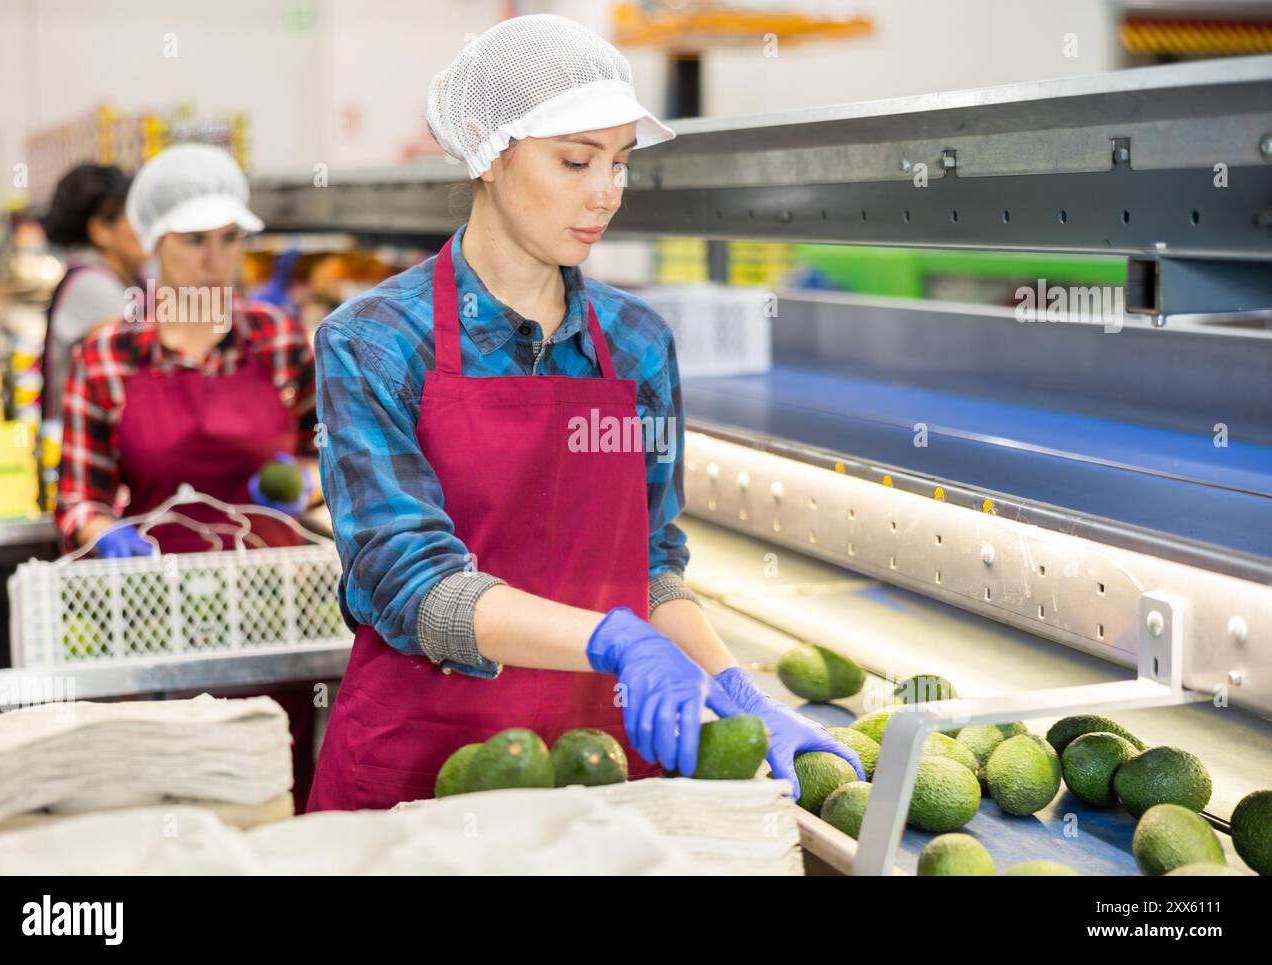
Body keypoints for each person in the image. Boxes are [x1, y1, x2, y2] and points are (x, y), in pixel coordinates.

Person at [307, 14, 863, 811]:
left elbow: (652, 561)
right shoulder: (375, 344)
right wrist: (612, 639)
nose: (606, 193)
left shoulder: (638, 344)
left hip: (599, 769)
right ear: (487, 153)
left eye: (621, 163)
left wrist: (736, 689)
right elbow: (412, 584)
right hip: (422, 776)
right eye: (575, 161)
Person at [56, 143, 324, 808]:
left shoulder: (278, 339)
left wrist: (302, 478)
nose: (215, 258)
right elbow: (77, 493)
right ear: (152, 243)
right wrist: (102, 532)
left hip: (272, 609)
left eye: (231, 238)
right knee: (162, 796)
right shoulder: (109, 354)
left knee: (265, 791)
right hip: (153, 610)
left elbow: (331, 455)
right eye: (194, 239)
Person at [41, 164, 147, 427]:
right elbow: (138, 368)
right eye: (137, 216)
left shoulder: (132, 277)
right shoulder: (90, 285)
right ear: (101, 229)